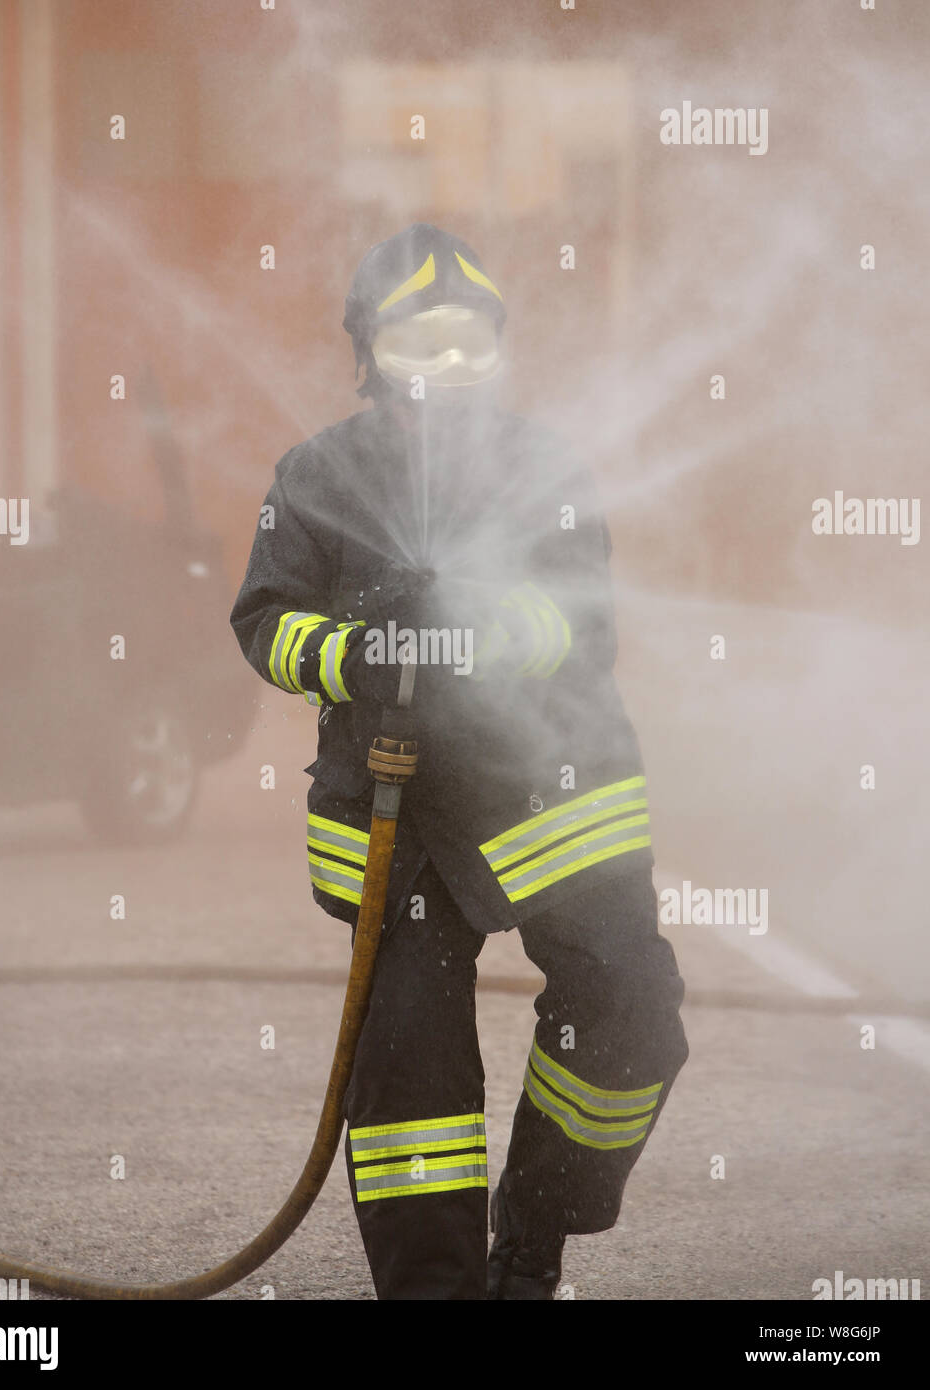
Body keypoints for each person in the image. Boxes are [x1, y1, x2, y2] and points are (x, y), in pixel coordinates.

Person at [230, 223, 689, 1300]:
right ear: (370, 351)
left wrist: (478, 629)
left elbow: (581, 618)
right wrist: (349, 652)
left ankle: (533, 1230)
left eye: (471, 341)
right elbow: (261, 620)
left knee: (626, 1008)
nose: (447, 366)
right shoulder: (316, 476)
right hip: (398, 814)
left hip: (550, 793)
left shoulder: (548, 468)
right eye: (418, 341)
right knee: (410, 1073)